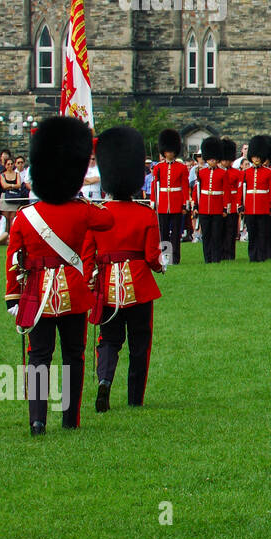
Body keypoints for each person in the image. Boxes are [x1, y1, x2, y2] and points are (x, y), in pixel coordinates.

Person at [3, 117, 114, 434]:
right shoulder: (82, 210)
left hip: (36, 295)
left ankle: (37, 420)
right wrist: (78, 195)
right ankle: (70, 418)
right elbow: (107, 221)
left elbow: (13, 259)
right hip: (74, 294)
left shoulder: (26, 217)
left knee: (38, 357)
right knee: (73, 357)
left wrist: (13, 297)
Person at [88, 127, 165, 413]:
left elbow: (88, 255)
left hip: (107, 284)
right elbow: (152, 256)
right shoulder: (145, 214)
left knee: (108, 340)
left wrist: (91, 281)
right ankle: (135, 398)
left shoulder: (97, 214)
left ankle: (105, 381)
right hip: (140, 284)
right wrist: (159, 267)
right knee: (139, 343)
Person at [150, 129, 189, 265]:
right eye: (167, 151)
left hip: (176, 203)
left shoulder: (182, 167)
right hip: (162, 203)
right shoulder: (158, 167)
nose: (169, 154)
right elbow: (154, 186)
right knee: (164, 232)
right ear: (163, 152)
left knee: (176, 233)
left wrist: (185, 204)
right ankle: (166, 257)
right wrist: (154, 202)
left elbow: (184, 187)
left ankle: (175, 258)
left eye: (171, 151)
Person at [241, 135, 271, 262]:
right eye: (254, 157)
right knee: (252, 233)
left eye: (258, 157)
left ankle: (262, 255)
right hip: (250, 207)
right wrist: (241, 204)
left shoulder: (268, 172)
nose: (256, 159)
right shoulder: (246, 173)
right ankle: (253, 256)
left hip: (263, 207)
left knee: (263, 234)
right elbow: (243, 191)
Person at [193, 137, 229, 264]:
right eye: (209, 159)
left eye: (214, 159)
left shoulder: (223, 173)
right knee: (206, 235)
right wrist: (196, 206)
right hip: (204, 208)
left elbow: (226, 192)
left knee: (216, 235)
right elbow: (197, 191)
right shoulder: (201, 173)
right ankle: (207, 258)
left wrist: (225, 208)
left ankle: (216, 258)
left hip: (217, 208)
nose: (211, 161)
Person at [220, 139, 241, 261]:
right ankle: (221, 253)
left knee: (230, 231)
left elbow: (239, 190)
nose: (226, 162)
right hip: (219, 203)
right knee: (220, 231)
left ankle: (230, 254)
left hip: (232, 204)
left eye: (228, 160)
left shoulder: (236, 173)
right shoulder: (217, 172)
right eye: (224, 160)